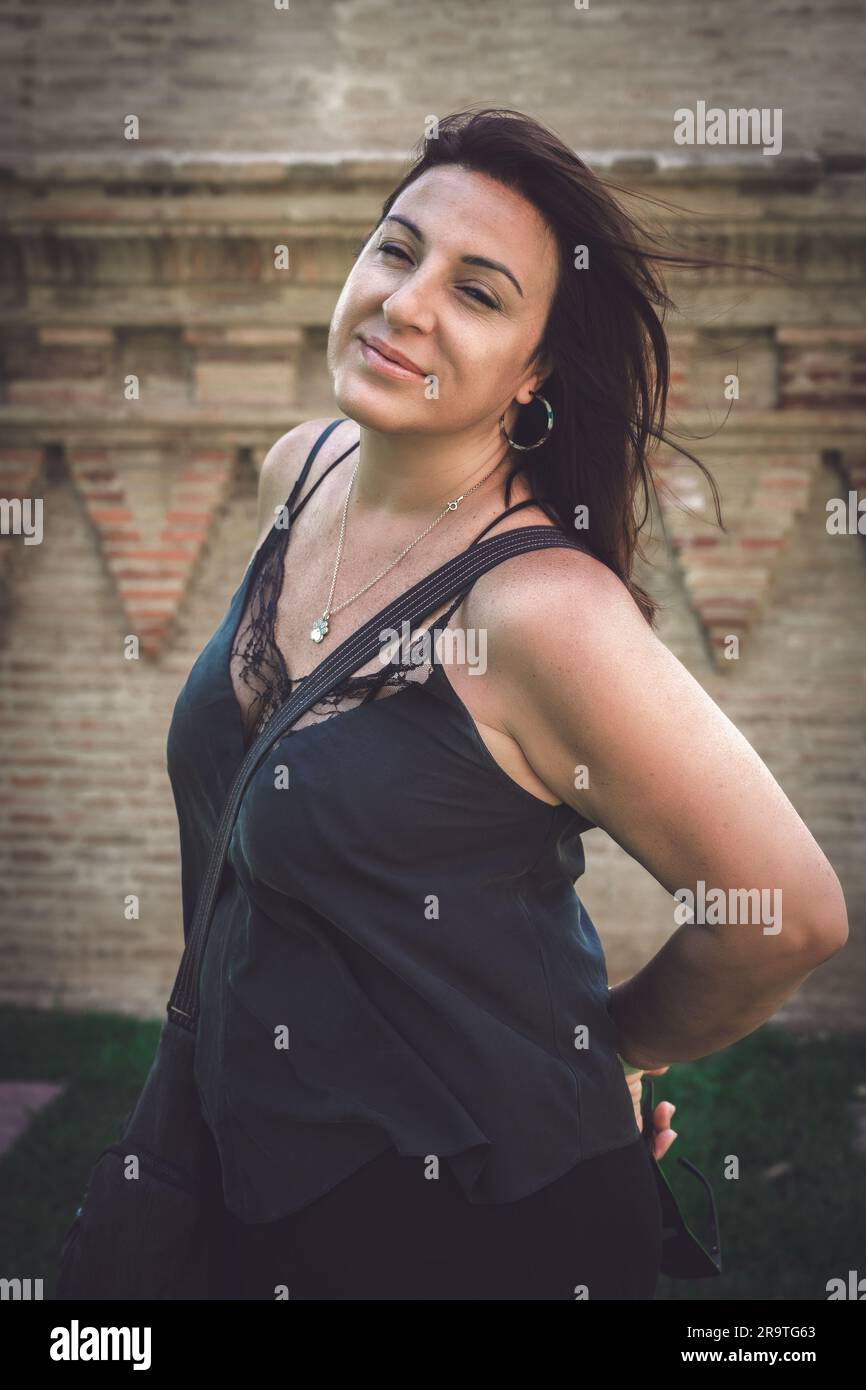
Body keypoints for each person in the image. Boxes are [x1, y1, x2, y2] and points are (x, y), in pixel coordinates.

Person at [167, 107, 848, 1301]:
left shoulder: (543, 615)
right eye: (395, 248)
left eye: (478, 294)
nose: (406, 302)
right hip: (243, 1165)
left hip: (473, 1225)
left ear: (535, 371)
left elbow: (783, 915)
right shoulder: (300, 468)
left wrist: (611, 1045)